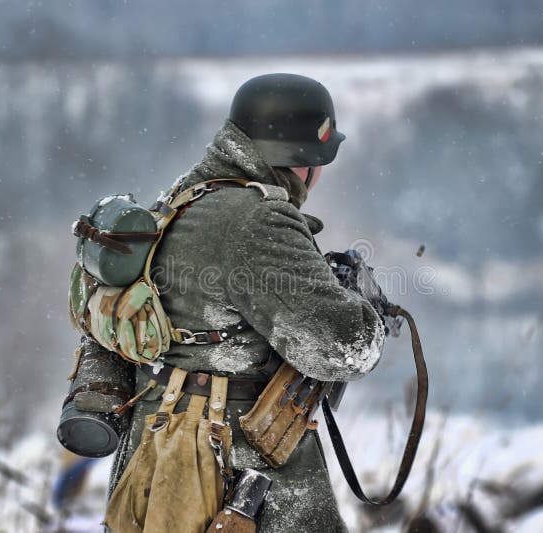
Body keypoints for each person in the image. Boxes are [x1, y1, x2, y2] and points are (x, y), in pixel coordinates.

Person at [98, 73, 386, 531]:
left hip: (156, 448)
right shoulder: (259, 219)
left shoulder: (180, 199)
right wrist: (366, 311)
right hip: (233, 462)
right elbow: (342, 347)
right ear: (300, 156)